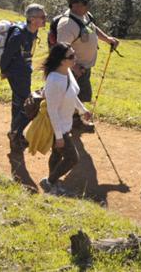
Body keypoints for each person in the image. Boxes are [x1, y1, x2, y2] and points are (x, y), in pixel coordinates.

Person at [51, 0, 119, 117]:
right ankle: (67, 125)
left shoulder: (84, 15)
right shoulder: (67, 25)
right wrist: (74, 67)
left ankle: (75, 121)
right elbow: (61, 50)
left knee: (81, 95)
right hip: (75, 68)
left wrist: (107, 39)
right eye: (85, 2)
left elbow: (92, 27)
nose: (88, 5)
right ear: (74, 5)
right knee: (71, 96)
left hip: (84, 67)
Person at [39, 42, 93, 196]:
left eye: (74, 54)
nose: (75, 58)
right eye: (71, 56)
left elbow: (71, 94)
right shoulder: (54, 80)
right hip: (58, 127)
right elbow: (52, 110)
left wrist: (83, 110)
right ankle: (50, 181)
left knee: (56, 155)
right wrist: (59, 136)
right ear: (62, 60)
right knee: (72, 158)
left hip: (65, 125)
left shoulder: (67, 72)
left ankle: (52, 184)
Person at [0, 4, 46, 151]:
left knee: (18, 104)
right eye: (42, 17)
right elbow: (7, 55)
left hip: (25, 72)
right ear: (32, 19)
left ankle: (15, 134)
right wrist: (4, 71)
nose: (45, 19)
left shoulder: (33, 30)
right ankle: (15, 133)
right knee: (29, 105)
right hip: (17, 74)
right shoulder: (19, 35)